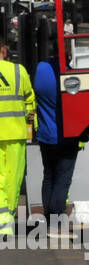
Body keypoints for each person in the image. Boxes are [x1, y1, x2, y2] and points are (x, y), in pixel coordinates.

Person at [35, 54, 81, 228]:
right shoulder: (68, 75)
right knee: (62, 178)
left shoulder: (40, 70)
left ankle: (49, 216)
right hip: (67, 135)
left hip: (45, 134)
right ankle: (56, 217)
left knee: (49, 176)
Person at [0, 53, 36, 236]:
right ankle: (7, 220)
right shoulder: (18, 70)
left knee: (1, 178)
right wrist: (27, 117)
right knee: (13, 179)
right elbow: (30, 101)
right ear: (4, 51)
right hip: (15, 133)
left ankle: (2, 219)